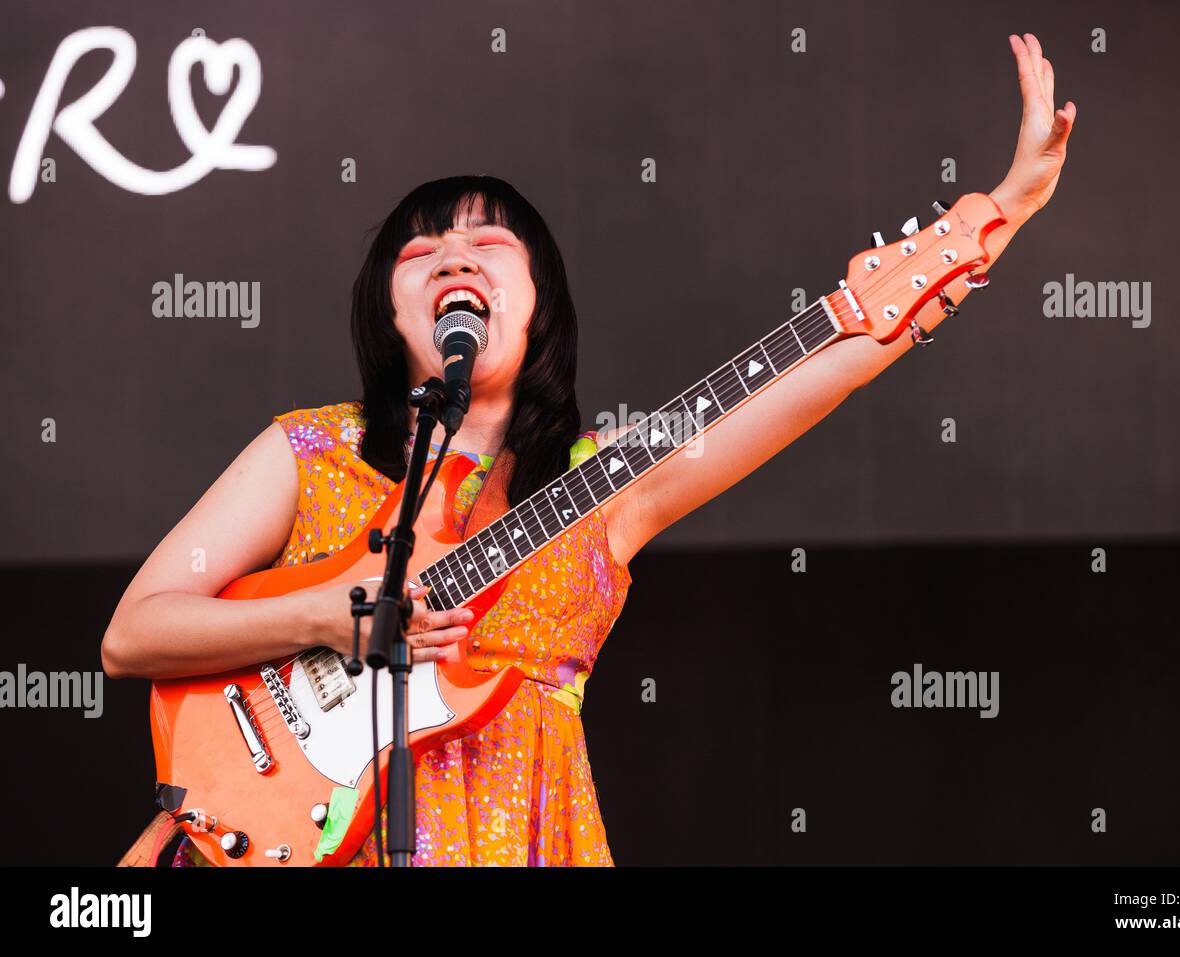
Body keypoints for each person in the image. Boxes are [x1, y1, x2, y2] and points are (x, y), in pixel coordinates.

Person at [102, 34, 1075, 866]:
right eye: (421, 247)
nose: (452, 256)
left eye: (490, 244)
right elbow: (135, 633)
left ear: (539, 304)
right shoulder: (311, 448)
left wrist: (992, 217)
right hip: (309, 828)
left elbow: (825, 369)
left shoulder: (598, 479)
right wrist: (332, 618)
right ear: (386, 306)